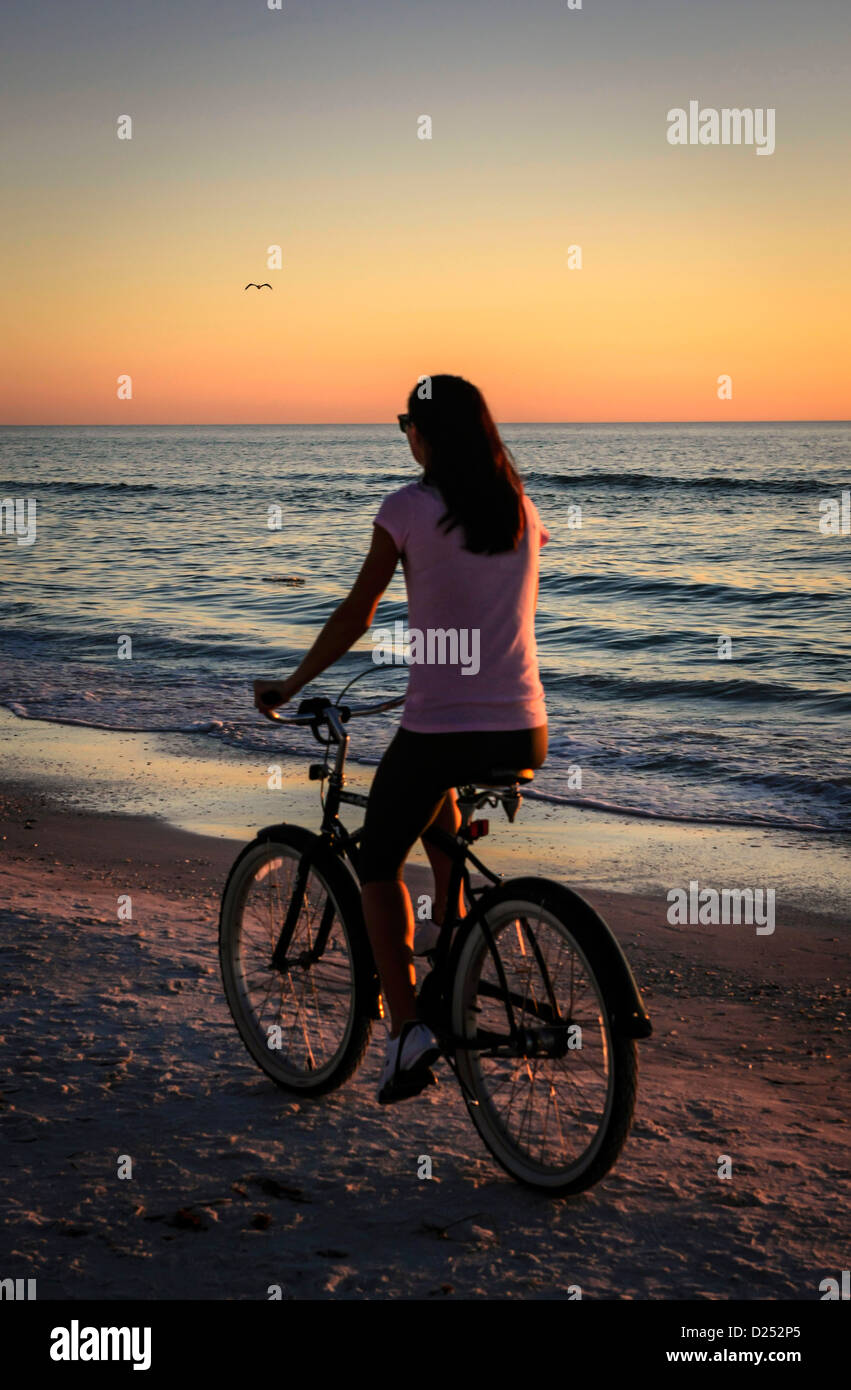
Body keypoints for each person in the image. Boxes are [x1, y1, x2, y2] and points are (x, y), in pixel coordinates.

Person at [254, 374, 548, 1103]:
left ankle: (406, 1032)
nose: (403, 435)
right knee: (433, 808)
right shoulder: (521, 509)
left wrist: (289, 686)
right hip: (525, 728)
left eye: (404, 424)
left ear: (426, 434)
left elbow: (359, 613)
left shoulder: (406, 508)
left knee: (378, 861)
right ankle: (455, 947)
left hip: (444, 727)